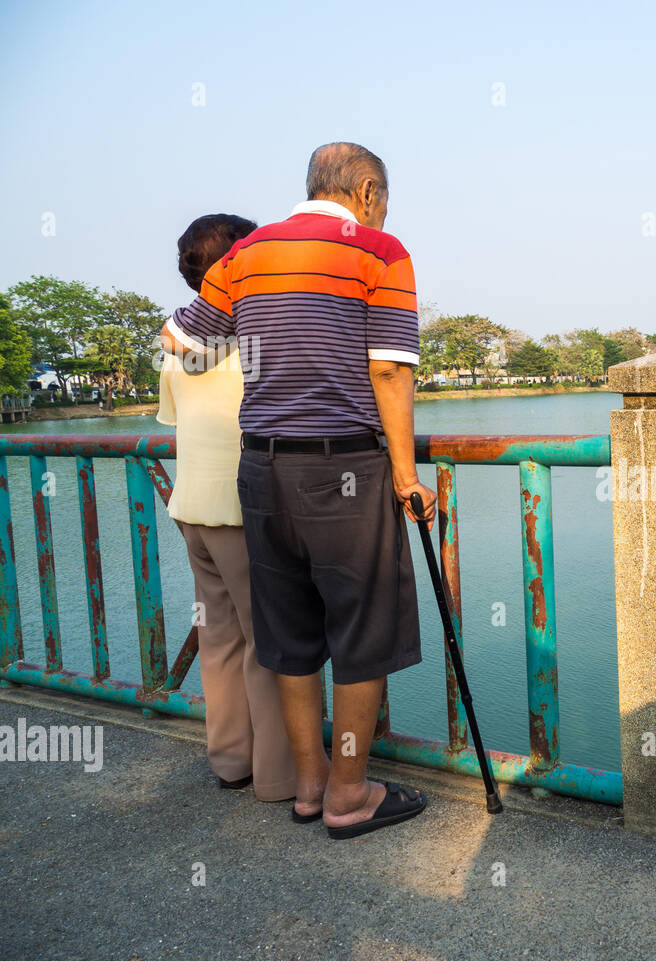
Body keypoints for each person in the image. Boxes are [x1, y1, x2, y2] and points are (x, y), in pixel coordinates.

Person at [159, 143, 433, 839]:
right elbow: (392, 374)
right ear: (366, 190)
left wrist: (267, 349)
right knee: (363, 632)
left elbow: (178, 338)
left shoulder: (247, 254)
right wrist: (406, 475)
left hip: (262, 471)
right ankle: (349, 793)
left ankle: (309, 785)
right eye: (384, 198)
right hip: (346, 468)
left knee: (288, 634)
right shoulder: (380, 251)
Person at [158, 213, 295, 802]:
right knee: (270, 643)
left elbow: (175, 420)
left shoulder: (179, 347)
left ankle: (231, 761)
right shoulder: (255, 344)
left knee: (219, 637)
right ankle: (278, 777)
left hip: (191, 507)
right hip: (243, 511)